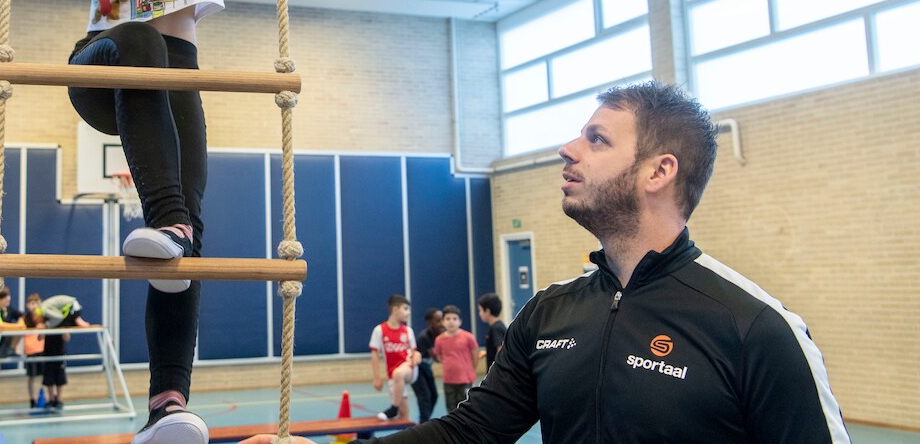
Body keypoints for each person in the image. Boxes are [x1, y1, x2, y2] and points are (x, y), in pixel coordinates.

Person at [241, 82, 849, 443]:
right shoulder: (552, 312)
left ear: (659, 172)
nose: (567, 148)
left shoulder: (755, 328)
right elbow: (469, 433)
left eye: (597, 139)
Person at [49, 0, 226, 441]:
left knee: (188, 241)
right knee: (138, 35)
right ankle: (165, 216)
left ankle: (167, 404)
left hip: (178, 72)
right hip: (108, 60)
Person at [35, 295, 93, 410]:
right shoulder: (49, 322)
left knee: (60, 377)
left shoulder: (61, 321)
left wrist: (64, 331)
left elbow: (67, 337)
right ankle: (51, 398)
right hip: (48, 352)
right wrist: (44, 329)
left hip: (60, 351)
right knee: (48, 377)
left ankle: (59, 399)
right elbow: (40, 338)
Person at [369, 295, 419, 423]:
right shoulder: (379, 330)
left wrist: (417, 357)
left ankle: (393, 408)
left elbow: (414, 351)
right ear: (395, 309)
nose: (409, 313)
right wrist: (376, 377)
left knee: (399, 373)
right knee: (404, 415)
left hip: (409, 369)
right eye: (406, 309)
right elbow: (374, 355)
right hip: (393, 377)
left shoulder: (408, 331)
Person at [430, 305, 478, 416]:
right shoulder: (439, 339)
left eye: (454, 319)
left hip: (465, 379)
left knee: (465, 406)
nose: (451, 322)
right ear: (442, 321)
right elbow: (439, 356)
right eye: (448, 319)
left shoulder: (468, 337)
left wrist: (471, 368)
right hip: (449, 380)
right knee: (451, 407)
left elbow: (475, 352)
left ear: (460, 321)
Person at [410, 308, 442, 423]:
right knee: (425, 396)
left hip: (426, 369)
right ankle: (423, 422)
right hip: (417, 370)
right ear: (429, 323)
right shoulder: (425, 336)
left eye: (442, 320)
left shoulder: (438, 335)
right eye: (438, 321)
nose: (441, 323)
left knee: (434, 395)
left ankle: (425, 420)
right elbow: (436, 357)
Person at [21, 293, 46, 408]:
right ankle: (32, 399)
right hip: (30, 351)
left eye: (35, 303)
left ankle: (42, 396)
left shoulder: (43, 317)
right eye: (31, 303)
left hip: (41, 349)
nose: (33, 306)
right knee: (32, 376)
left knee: (43, 375)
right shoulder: (24, 318)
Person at [0, 287, 25, 374]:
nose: (8, 299)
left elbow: (23, 316)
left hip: (7, 340)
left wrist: (21, 323)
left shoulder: (9, 309)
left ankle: (12, 348)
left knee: (21, 330)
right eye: (5, 298)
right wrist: (18, 326)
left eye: (8, 296)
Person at [474, 293, 506, 372]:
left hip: (496, 373)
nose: (479, 314)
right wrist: (487, 353)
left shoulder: (496, 328)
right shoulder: (498, 325)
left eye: (480, 310)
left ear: (487, 311)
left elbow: (500, 350)